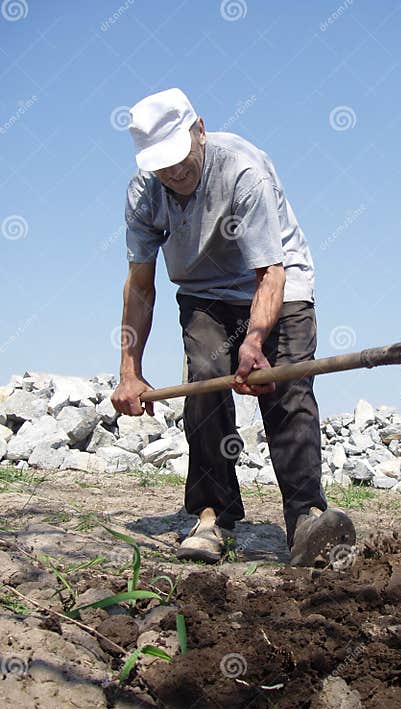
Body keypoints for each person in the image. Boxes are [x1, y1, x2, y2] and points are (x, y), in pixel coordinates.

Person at [111, 87, 355, 566]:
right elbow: (140, 286)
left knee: (287, 388)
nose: (174, 172)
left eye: (180, 157)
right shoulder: (145, 193)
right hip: (205, 292)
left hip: (278, 285)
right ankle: (212, 515)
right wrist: (129, 370)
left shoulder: (243, 171)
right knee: (204, 378)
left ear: (199, 130)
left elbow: (271, 273)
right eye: (161, 164)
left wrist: (255, 342)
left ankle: (306, 517)